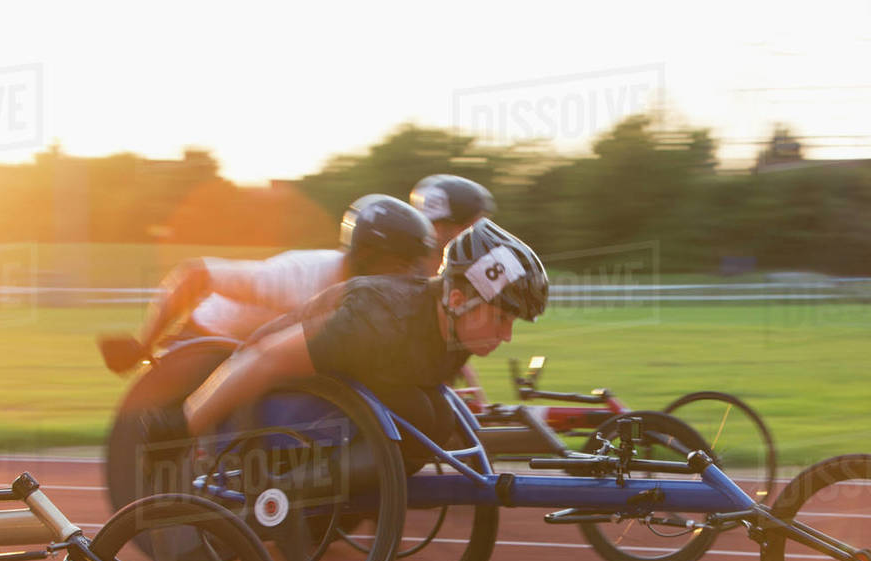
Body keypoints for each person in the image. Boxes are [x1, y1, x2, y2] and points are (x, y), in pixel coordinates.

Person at [144, 219, 548, 468]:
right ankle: (313, 490)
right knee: (422, 419)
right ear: (458, 300)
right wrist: (181, 426)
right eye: (501, 317)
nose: (507, 335)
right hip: (272, 391)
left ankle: (346, 503)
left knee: (434, 419)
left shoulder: (452, 330)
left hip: (340, 396)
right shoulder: (377, 322)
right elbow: (266, 356)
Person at [97, 194, 436, 374]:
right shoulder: (297, 277)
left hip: (259, 354)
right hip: (206, 345)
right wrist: (145, 344)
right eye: (403, 263)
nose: (410, 274)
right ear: (368, 254)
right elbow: (195, 273)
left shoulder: (368, 290)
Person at [410, 174, 499, 406]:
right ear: (442, 226)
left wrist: (478, 394)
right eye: (474, 223)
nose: (482, 232)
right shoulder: (407, 276)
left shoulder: (452, 269)